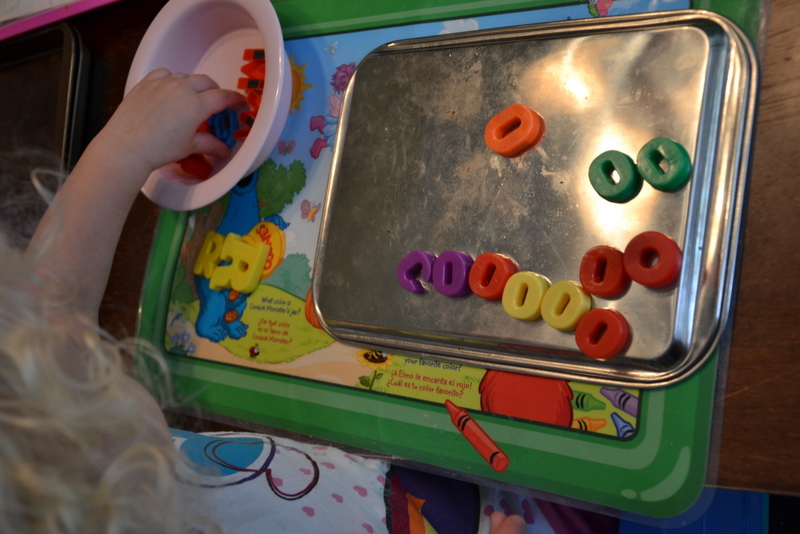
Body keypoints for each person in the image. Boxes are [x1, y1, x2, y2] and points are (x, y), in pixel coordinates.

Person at [1, 68, 528, 533]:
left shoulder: (68, 463)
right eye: (87, 386)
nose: (74, 341)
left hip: (395, 474)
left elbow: (51, 311)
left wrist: (124, 146)